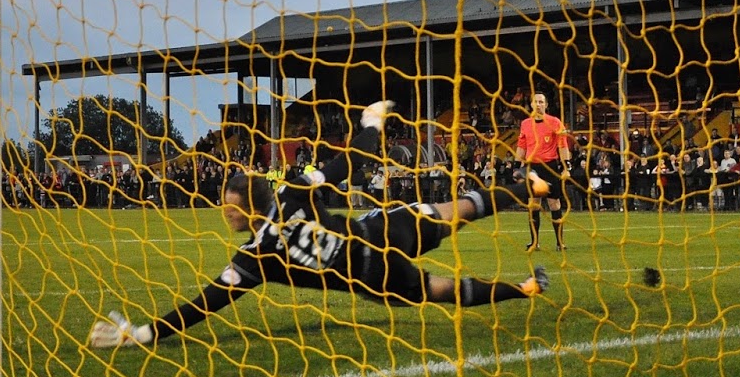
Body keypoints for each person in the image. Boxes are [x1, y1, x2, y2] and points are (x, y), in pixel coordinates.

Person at [88, 102, 548, 350]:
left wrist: (148, 332)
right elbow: (343, 164)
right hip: (380, 246)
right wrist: (369, 123)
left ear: (248, 208)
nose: (225, 216)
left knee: (455, 229)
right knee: (450, 252)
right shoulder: (290, 195)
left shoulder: (257, 256)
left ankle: (528, 220)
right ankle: (524, 272)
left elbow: (205, 303)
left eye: (230, 210)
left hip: (375, 261)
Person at [515, 91, 573, 250]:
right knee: (533, 204)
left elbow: (563, 146)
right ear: (531, 104)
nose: (539, 104)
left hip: (550, 166)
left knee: (554, 203)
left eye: (541, 101)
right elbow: (521, 146)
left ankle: (560, 242)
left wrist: (566, 167)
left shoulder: (555, 122)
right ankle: (535, 243)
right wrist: (515, 166)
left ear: (546, 105)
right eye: (536, 101)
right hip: (532, 168)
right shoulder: (525, 124)